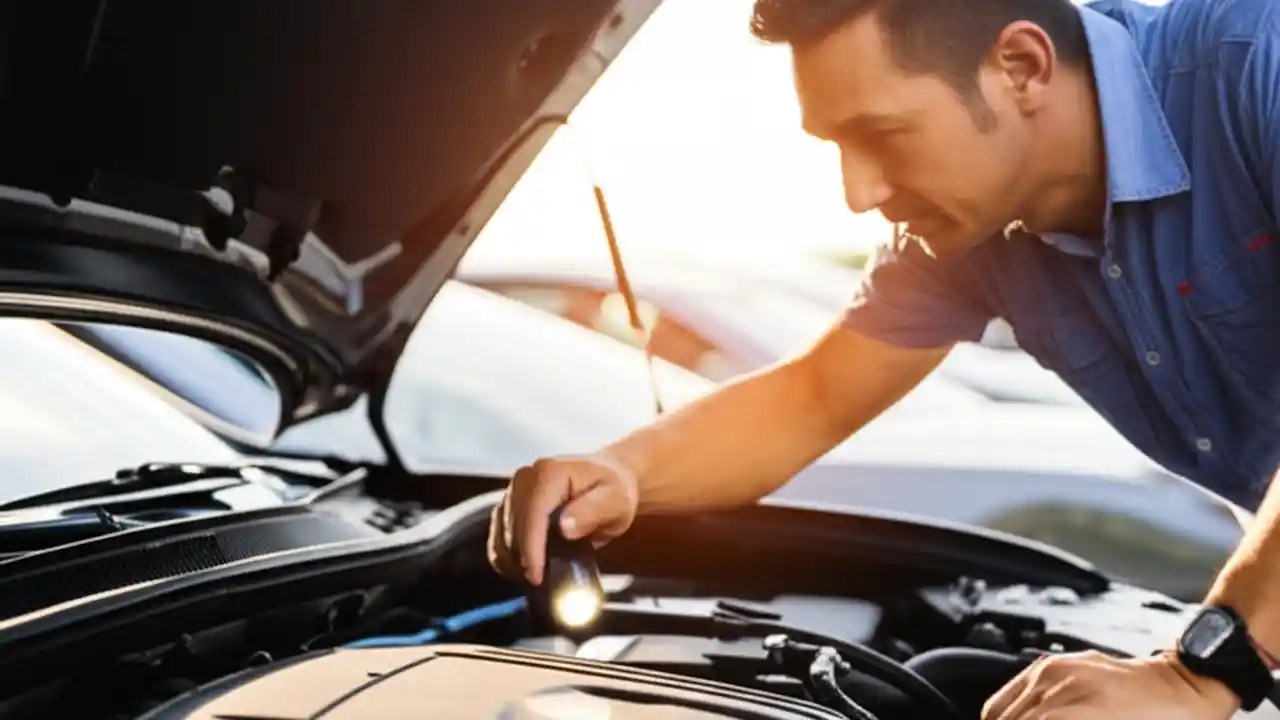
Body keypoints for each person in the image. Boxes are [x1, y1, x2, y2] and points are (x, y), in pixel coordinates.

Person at [487, 0, 1280, 716]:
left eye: (883, 135)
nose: (859, 193)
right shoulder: (967, 236)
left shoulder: (1256, 63)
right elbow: (812, 400)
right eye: (837, 145)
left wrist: (1200, 670)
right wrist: (623, 471)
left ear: (1021, 67)